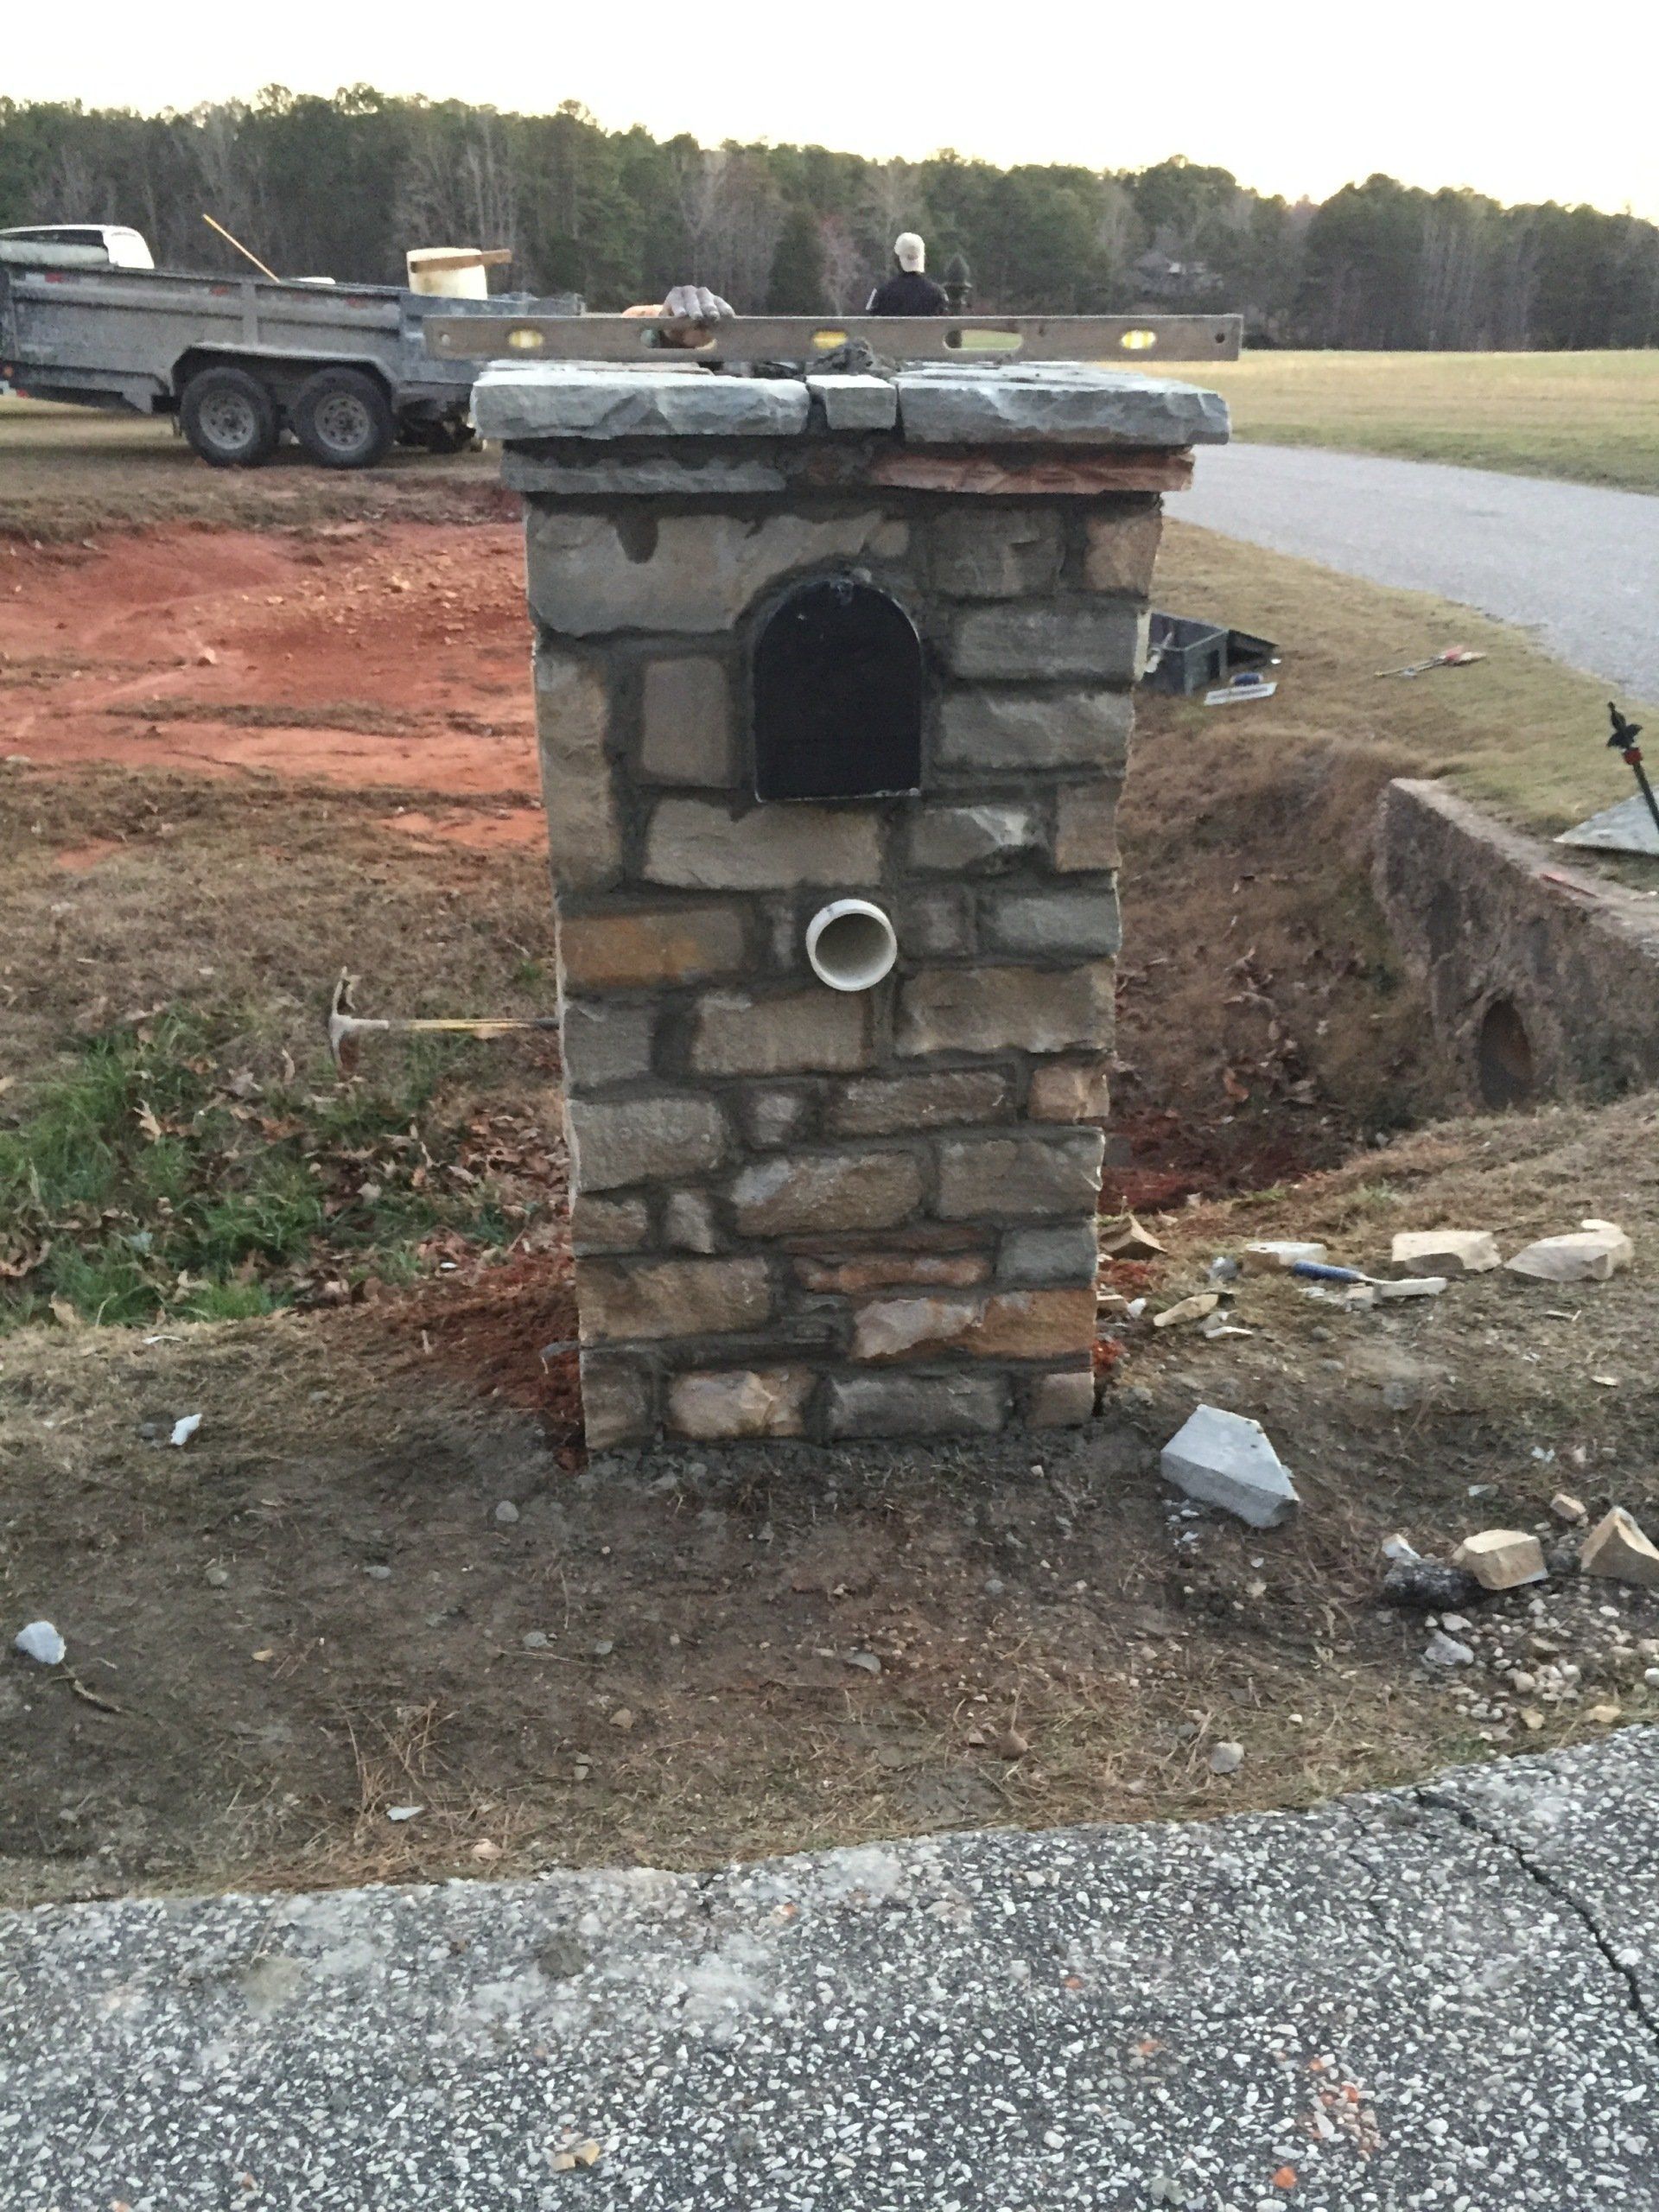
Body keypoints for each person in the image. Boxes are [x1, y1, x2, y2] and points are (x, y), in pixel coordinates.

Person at [866, 233, 947, 317]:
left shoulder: (882, 293)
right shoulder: (938, 295)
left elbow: (870, 322)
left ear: (896, 260)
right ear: (923, 259)